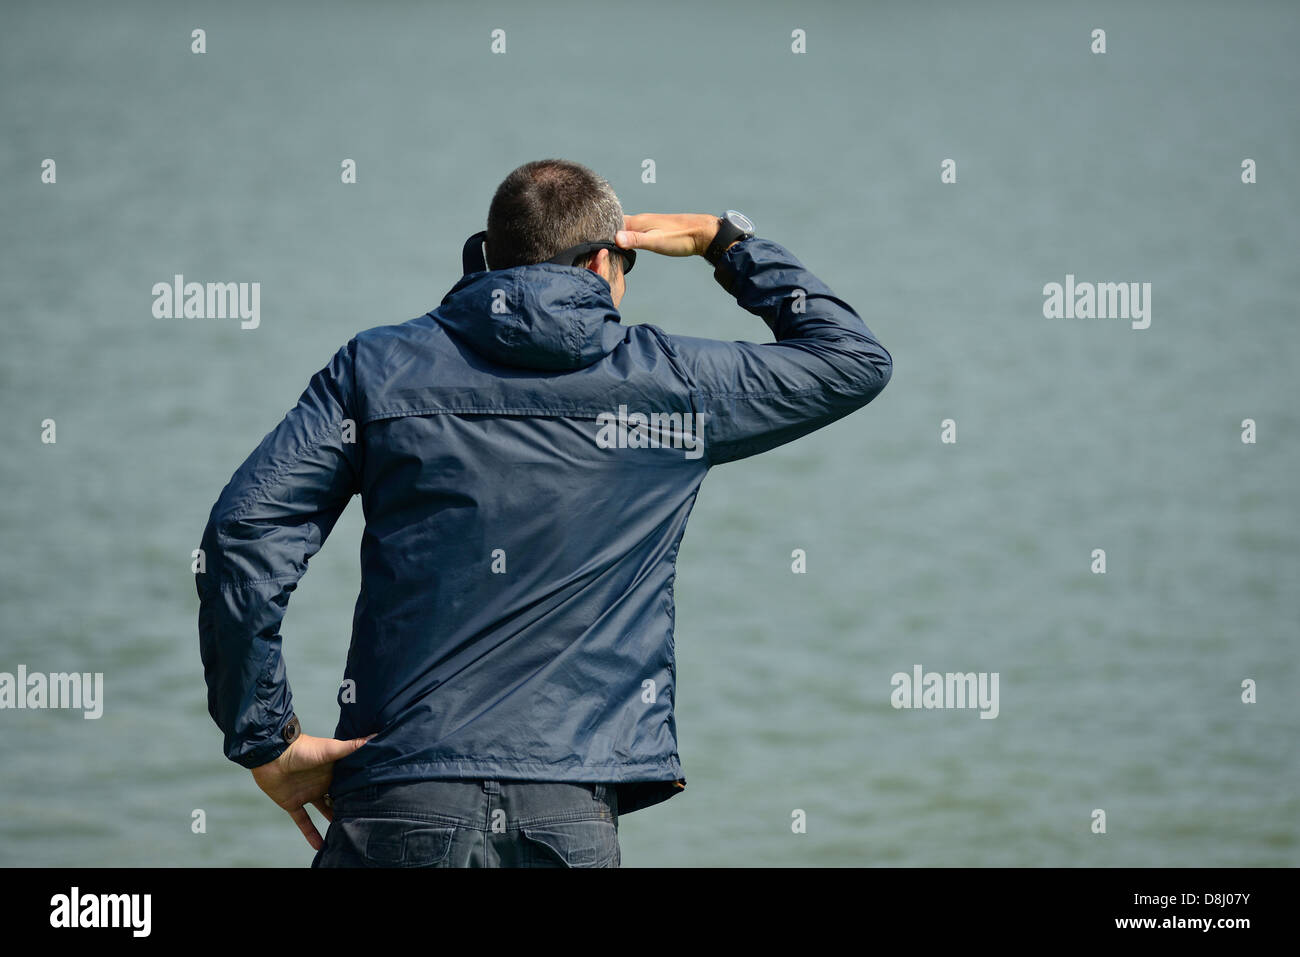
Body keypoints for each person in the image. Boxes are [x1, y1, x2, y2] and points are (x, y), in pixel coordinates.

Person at [196, 158, 893, 867]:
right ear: (600, 262)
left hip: (397, 800)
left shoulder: (376, 368)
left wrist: (266, 737)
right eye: (624, 266)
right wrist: (727, 242)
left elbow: (243, 533)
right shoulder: (671, 384)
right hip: (567, 813)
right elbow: (853, 359)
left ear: (489, 259)